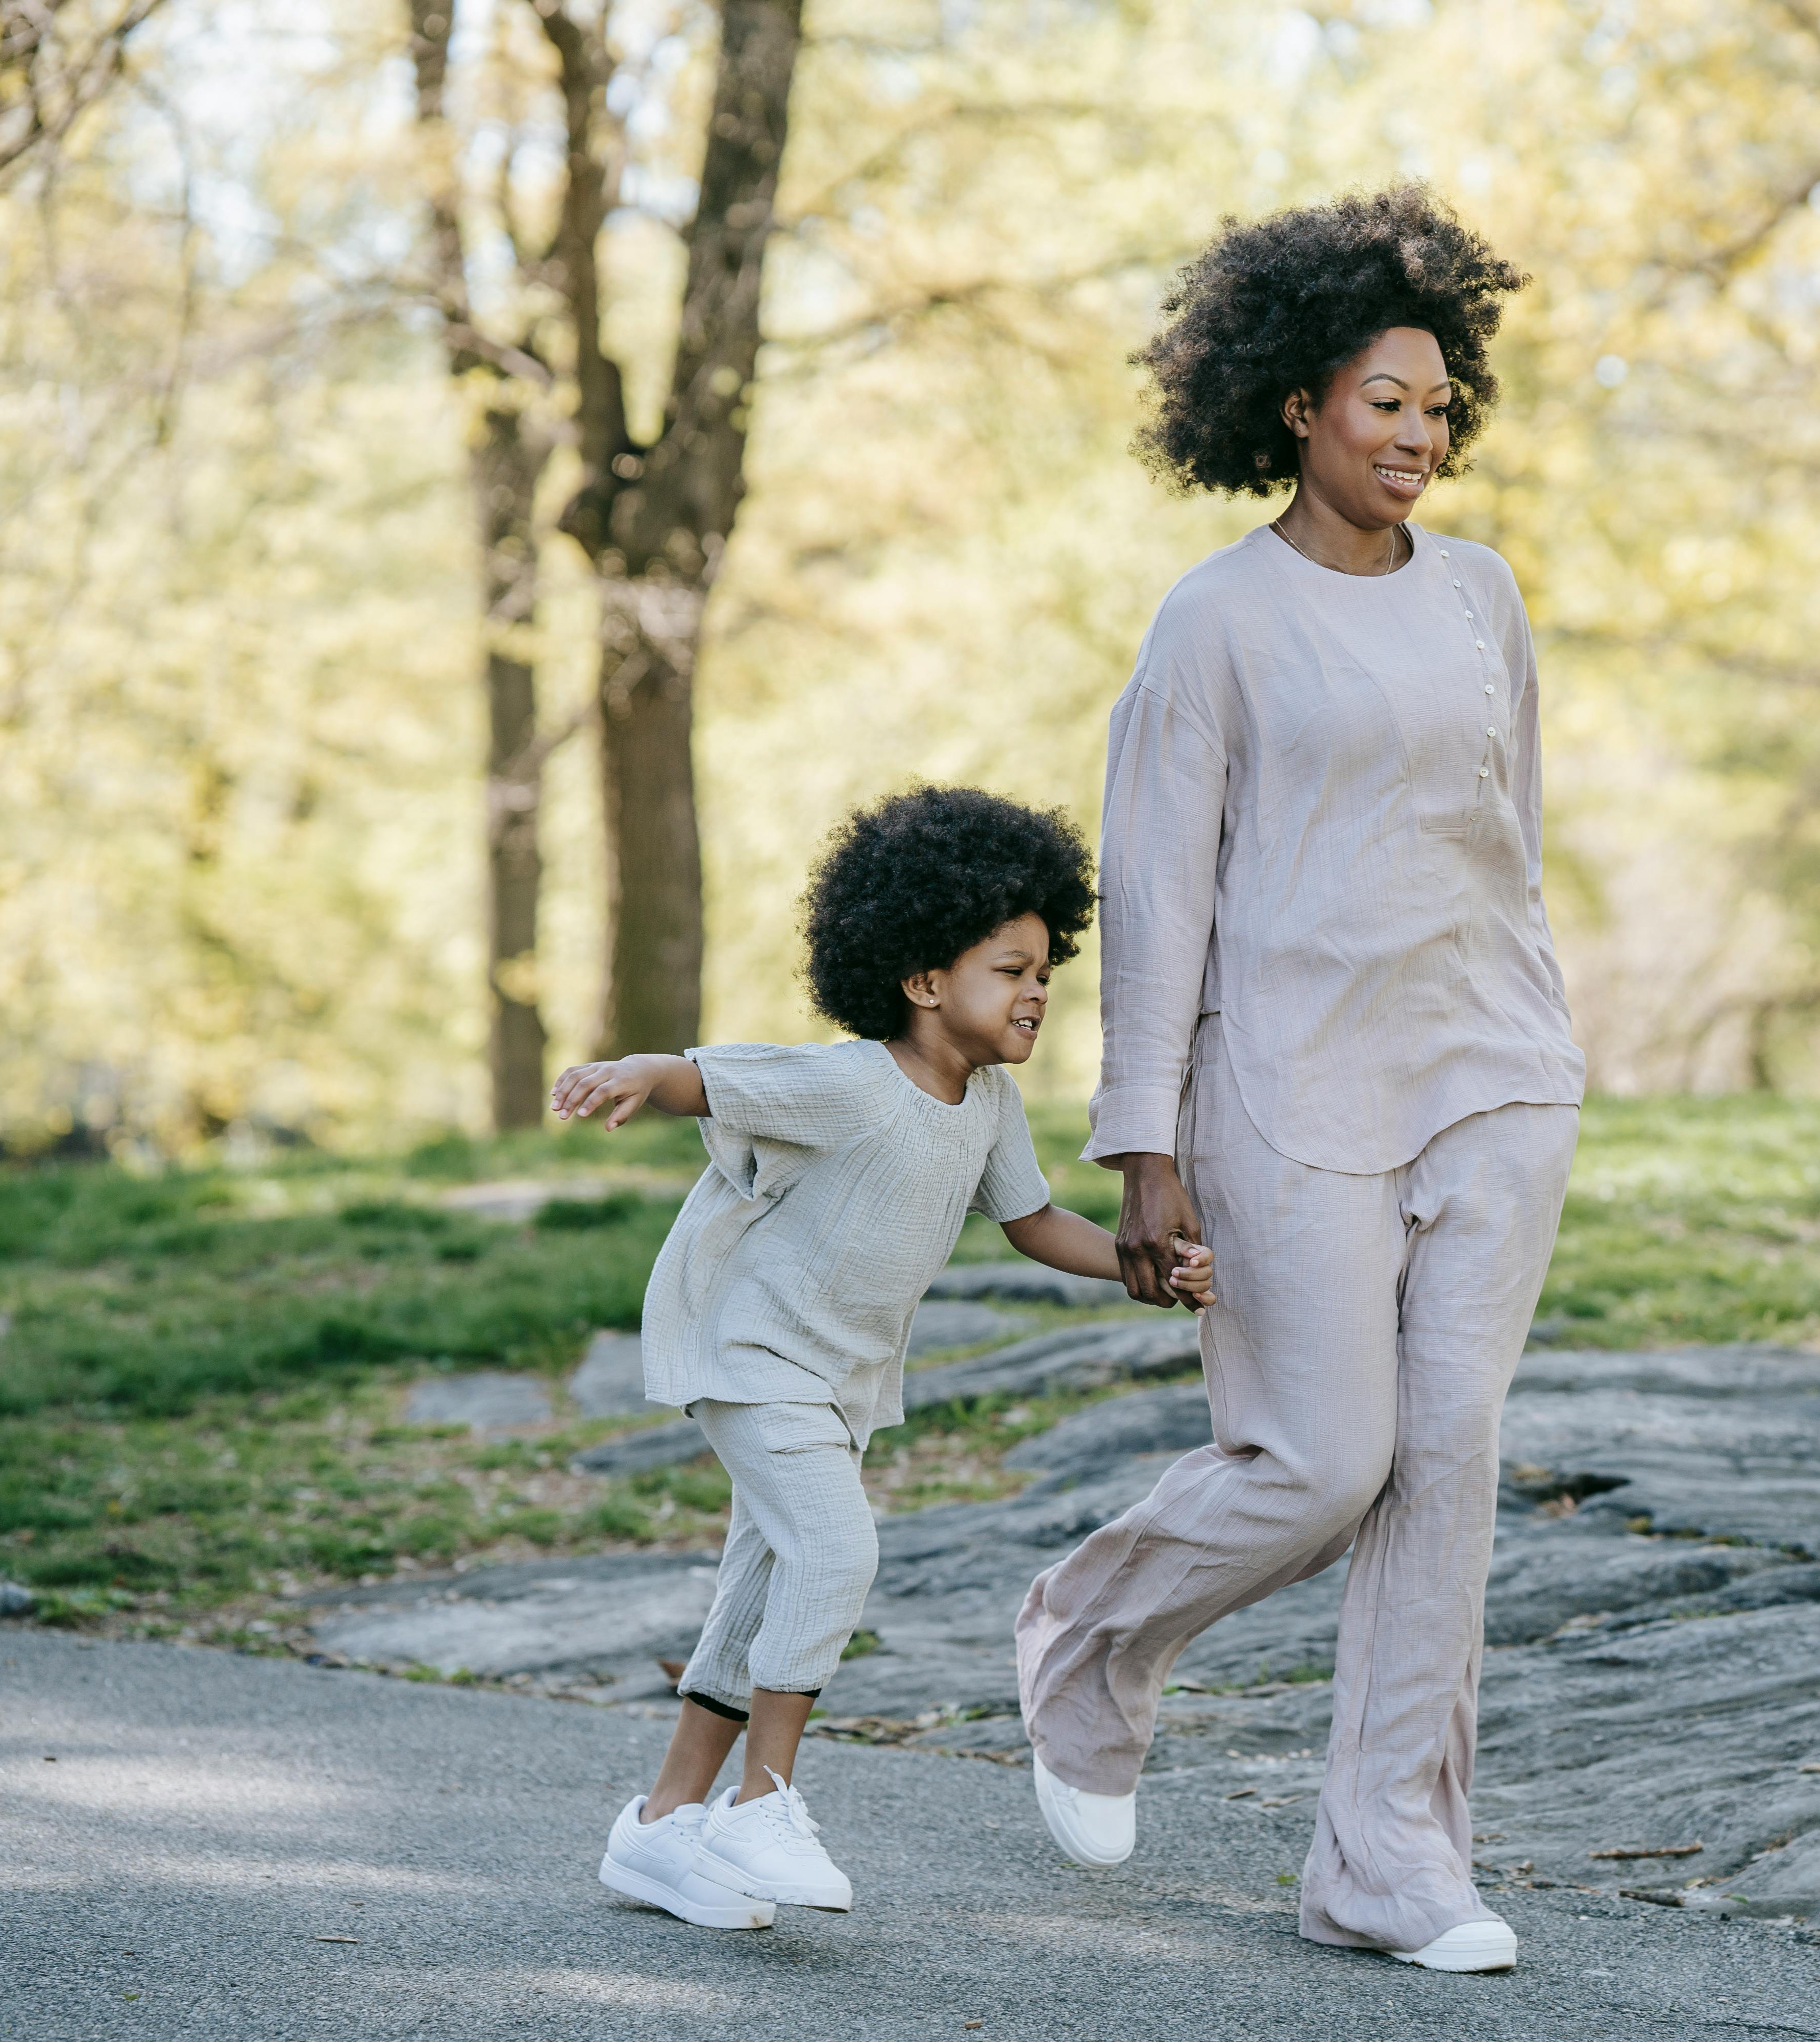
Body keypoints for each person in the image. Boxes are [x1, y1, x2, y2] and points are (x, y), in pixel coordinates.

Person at [1012, 186, 1585, 1975]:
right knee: (1326, 1460)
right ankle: (1090, 1636)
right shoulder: (1217, 623)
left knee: (1448, 1466)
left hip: (1492, 1072)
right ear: (1294, 406)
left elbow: (1513, 839)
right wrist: (1144, 1144)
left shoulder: (1484, 598)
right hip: (1282, 1089)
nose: (1416, 436)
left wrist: (1546, 1033)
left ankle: (1391, 1859)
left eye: (1439, 407)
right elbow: (1157, 891)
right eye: (1381, 403)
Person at [550, 786, 1215, 1929]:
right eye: (1010, 970)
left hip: (836, 1381)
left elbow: (1031, 1221)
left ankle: (659, 1827)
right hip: (752, 1355)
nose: (1038, 991)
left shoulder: (990, 1101)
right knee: (834, 1549)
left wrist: (1135, 1265)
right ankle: (763, 1803)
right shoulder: (856, 1082)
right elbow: (716, 1074)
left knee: (761, 1586)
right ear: (923, 980)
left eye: (1046, 970)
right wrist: (639, 1070)